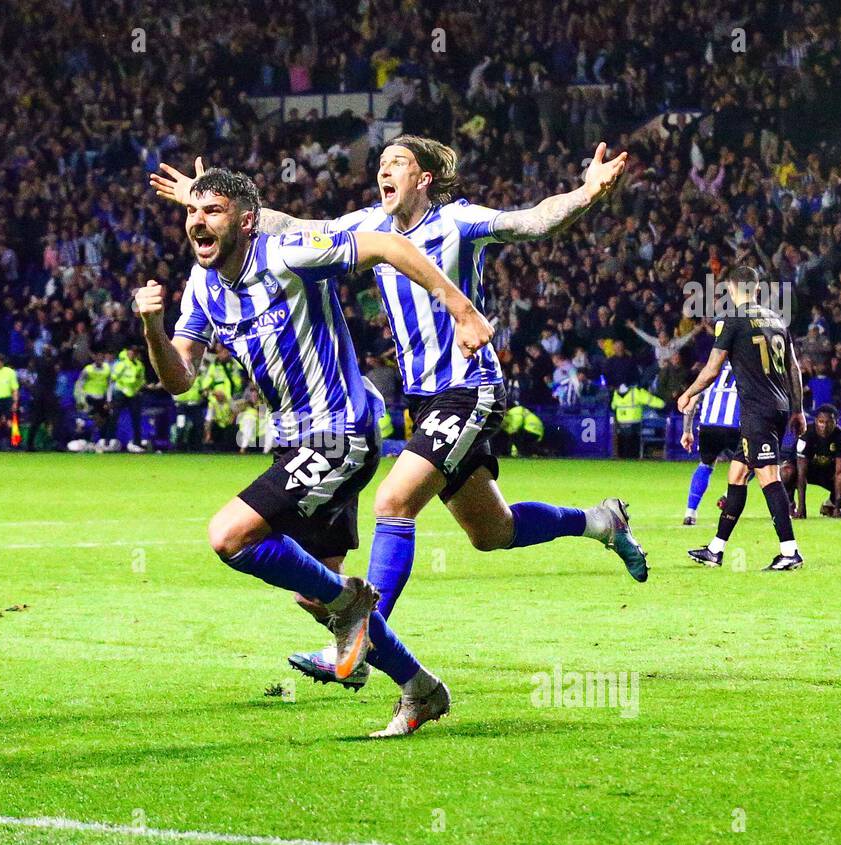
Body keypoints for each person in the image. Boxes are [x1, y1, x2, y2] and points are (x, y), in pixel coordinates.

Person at [153, 137, 648, 696]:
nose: (383, 170)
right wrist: (202, 203)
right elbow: (284, 224)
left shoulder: (459, 222)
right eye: (381, 162)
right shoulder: (367, 221)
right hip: (422, 400)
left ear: (426, 179)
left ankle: (361, 636)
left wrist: (585, 191)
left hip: (469, 385)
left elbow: (532, 221)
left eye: (397, 163)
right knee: (492, 531)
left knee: (394, 501)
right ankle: (601, 522)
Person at [136, 167, 496, 736]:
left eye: (213, 212)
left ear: (246, 221)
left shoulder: (289, 253)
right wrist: (153, 327)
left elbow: (387, 245)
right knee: (313, 594)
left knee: (229, 535)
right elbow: (180, 378)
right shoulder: (202, 287)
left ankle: (350, 604)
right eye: (191, 213)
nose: (196, 222)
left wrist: (460, 308)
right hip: (293, 441)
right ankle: (420, 688)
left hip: (340, 433)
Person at [678, 266, 806, 570]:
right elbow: (795, 370)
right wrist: (798, 410)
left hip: (758, 411)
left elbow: (711, 370)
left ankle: (790, 552)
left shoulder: (733, 320)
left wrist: (687, 393)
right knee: (736, 475)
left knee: (768, 477)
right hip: (779, 406)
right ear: (757, 288)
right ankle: (715, 550)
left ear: (731, 289)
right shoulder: (776, 319)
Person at [678, 360, 741, 525]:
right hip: (735, 426)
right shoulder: (748, 365)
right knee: (753, 465)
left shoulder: (713, 367)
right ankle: (728, 496)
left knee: (706, 465)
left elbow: (691, 402)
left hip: (709, 426)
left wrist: (687, 431)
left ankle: (690, 512)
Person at [782, 405, 841, 519]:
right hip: (805, 472)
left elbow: (839, 472)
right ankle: (790, 505)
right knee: (786, 472)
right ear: (816, 421)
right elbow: (801, 474)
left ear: (836, 422)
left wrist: (838, 507)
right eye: (821, 422)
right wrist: (802, 507)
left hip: (827, 473)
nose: (824, 426)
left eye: (829, 423)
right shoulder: (806, 435)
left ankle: (830, 504)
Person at [611, 382, 666, 458]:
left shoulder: (616, 394)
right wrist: (663, 404)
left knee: (623, 447)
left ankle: (622, 461)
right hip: (634, 424)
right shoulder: (635, 392)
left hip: (621, 425)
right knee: (633, 447)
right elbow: (650, 400)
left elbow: (613, 406)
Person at [110, 345, 147, 453]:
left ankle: (137, 442)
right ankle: (110, 441)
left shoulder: (139, 365)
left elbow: (141, 380)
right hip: (121, 392)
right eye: (130, 352)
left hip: (133, 393)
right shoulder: (121, 364)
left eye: (134, 353)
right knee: (114, 416)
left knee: (136, 418)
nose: (131, 354)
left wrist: (136, 389)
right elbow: (114, 378)